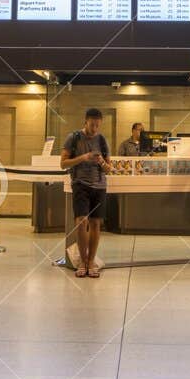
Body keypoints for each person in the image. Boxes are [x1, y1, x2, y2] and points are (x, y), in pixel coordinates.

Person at [60, 107, 111, 278]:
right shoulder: (73, 138)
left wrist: (102, 162)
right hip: (80, 184)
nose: (94, 129)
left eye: (98, 125)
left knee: (96, 223)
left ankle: (91, 261)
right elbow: (63, 163)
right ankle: (82, 261)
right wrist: (83, 157)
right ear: (85, 122)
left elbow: (109, 169)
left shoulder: (103, 140)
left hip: (99, 185)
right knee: (82, 222)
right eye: (92, 125)